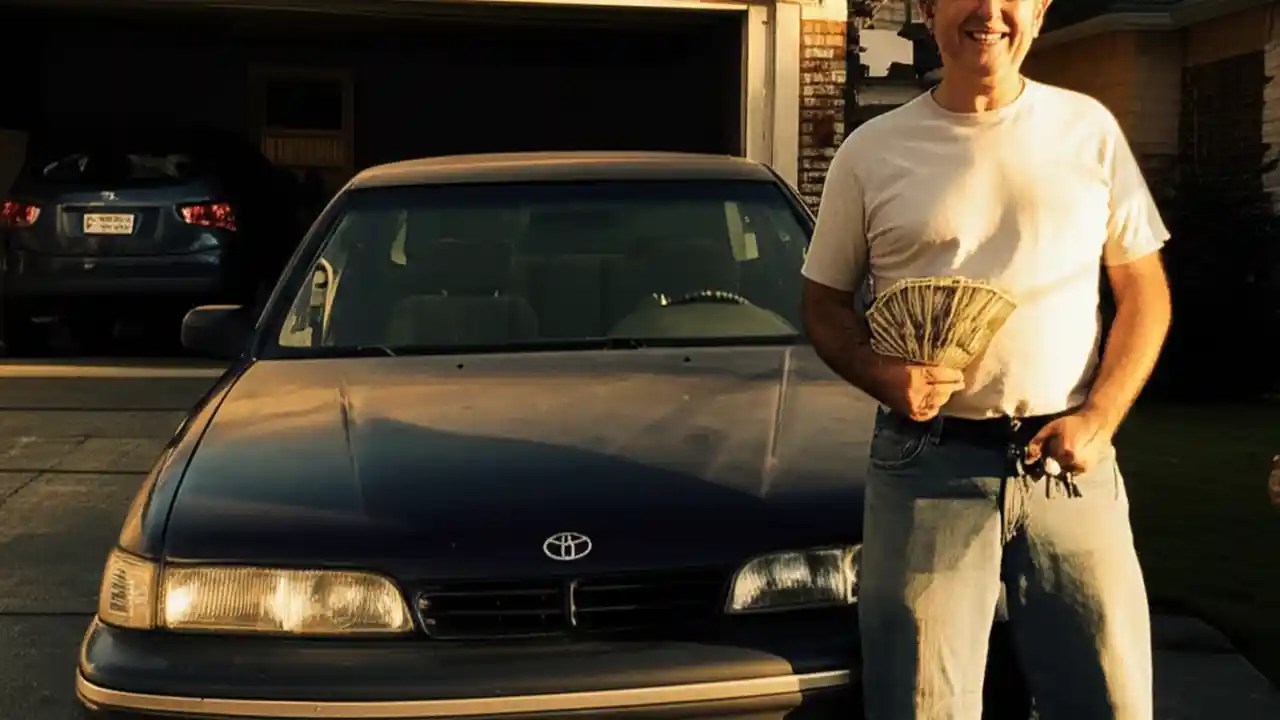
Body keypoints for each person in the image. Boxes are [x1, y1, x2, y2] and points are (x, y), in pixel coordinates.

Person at [799, 1, 1173, 718]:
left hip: (1070, 466)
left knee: (1110, 701)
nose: (990, 13)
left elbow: (1145, 292)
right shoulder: (871, 151)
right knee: (921, 707)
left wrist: (1100, 417)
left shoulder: (1087, 130)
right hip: (927, 465)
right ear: (930, 10)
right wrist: (881, 372)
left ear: (1040, 11)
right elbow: (822, 303)